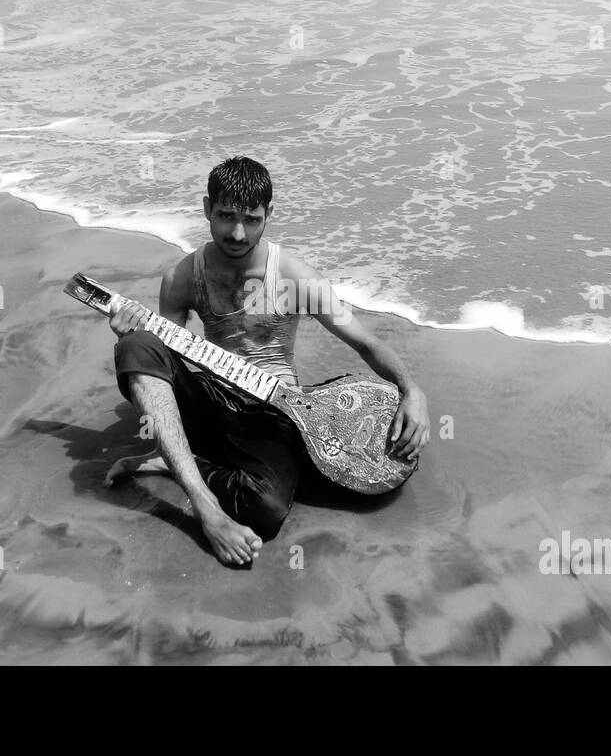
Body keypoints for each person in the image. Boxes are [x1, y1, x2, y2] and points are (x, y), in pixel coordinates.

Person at [107, 156, 429, 566]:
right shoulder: (184, 278)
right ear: (207, 209)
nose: (238, 233)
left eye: (251, 219)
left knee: (267, 511)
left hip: (273, 411)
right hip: (211, 399)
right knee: (137, 344)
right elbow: (166, 355)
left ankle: (172, 462)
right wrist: (132, 334)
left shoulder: (296, 277)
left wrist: (410, 388)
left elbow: (365, 342)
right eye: (225, 216)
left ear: (269, 216)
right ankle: (204, 504)